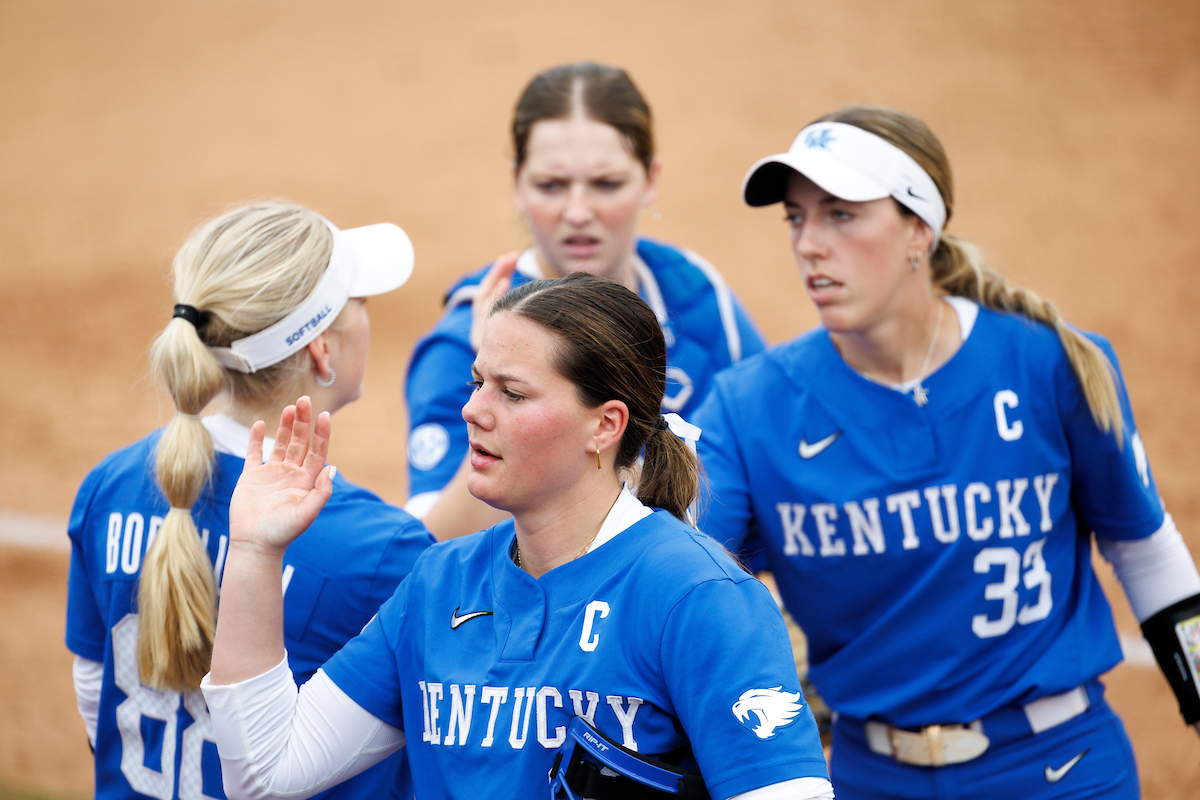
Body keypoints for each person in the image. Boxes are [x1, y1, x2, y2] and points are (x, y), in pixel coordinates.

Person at [692, 105, 1200, 799]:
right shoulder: (751, 410)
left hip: (1062, 770)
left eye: (841, 215)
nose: (808, 243)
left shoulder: (1048, 366)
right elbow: (678, 580)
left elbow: (1143, 550)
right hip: (873, 778)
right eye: (796, 218)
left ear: (918, 231)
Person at [199, 274, 834, 800]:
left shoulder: (698, 597)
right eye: (478, 382)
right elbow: (266, 773)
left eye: (513, 393)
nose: (473, 409)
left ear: (604, 426)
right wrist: (254, 552)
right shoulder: (438, 583)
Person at [64, 203, 434, 800]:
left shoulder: (110, 485)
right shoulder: (384, 550)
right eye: (359, 303)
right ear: (321, 350)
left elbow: (94, 708)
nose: (367, 316)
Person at [404, 61, 766, 533]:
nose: (577, 212)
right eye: (551, 185)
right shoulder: (465, 343)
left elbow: (772, 458)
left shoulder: (697, 296)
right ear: (517, 184)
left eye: (606, 184)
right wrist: (496, 385)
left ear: (650, 180)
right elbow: (430, 547)